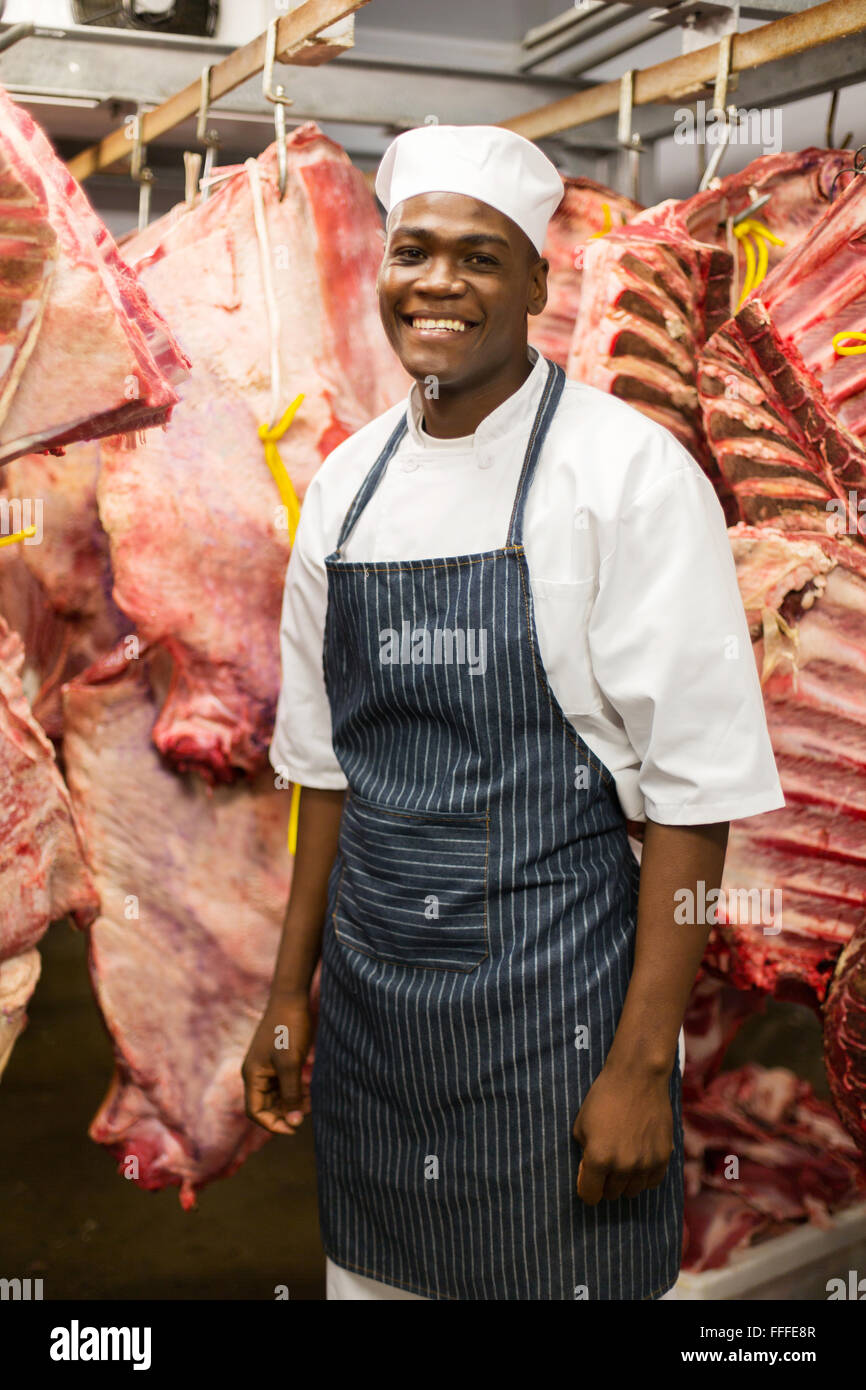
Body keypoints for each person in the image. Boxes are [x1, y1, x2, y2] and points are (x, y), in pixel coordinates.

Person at [243, 123, 785, 1301]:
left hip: (555, 1024)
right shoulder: (344, 483)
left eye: (481, 257)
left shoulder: (627, 474)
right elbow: (324, 767)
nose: (439, 282)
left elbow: (698, 798)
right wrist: (290, 993)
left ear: (538, 281)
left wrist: (643, 1064)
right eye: (414, 251)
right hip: (377, 1027)